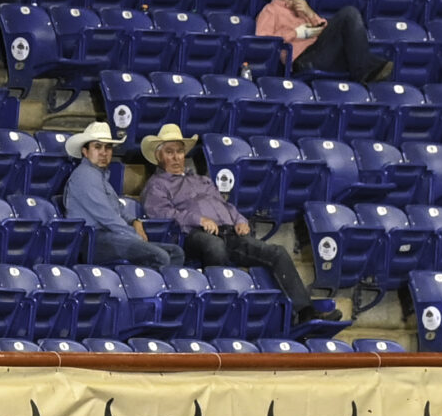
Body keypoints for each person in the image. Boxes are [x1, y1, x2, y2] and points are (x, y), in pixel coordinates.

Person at [136, 123, 333, 319]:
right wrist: (198, 219)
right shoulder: (157, 186)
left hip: (229, 232)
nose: (176, 157)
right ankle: (222, 309)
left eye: (179, 151)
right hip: (192, 236)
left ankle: (305, 311)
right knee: (214, 246)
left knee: (277, 252)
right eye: (169, 152)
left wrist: (239, 219)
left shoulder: (201, 180)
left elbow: (225, 205)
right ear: (158, 156)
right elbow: (162, 214)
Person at [61, 121, 183, 268]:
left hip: (110, 236)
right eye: (97, 147)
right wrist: (134, 236)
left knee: (175, 253)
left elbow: (117, 209)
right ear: (85, 152)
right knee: (160, 256)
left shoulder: (100, 176)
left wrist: (134, 221)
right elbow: (107, 216)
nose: (103, 153)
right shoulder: (84, 176)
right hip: (92, 240)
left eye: (108, 147)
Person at [255, 0, 390, 82]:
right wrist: (296, 33)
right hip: (301, 59)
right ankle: (366, 69)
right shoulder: (270, 11)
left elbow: (326, 30)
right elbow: (263, 43)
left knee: (350, 18)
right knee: (349, 13)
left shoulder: (302, 8)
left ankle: (367, 68)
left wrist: (310, 13)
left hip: (320, 52)